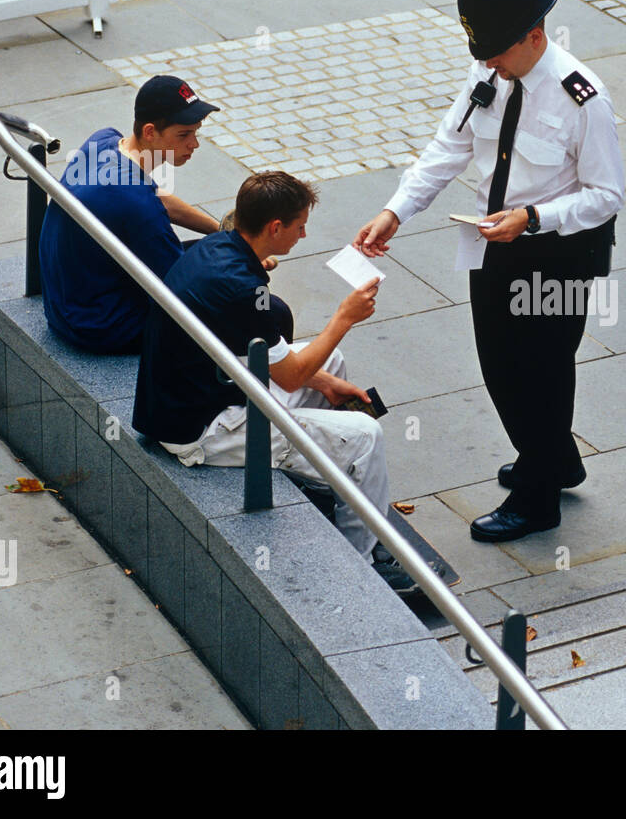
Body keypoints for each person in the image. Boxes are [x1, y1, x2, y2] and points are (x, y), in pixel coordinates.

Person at [354, 0, 625, 544]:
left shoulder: (582, 99)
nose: (487, 65)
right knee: (502, 365)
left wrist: (533, 218)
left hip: (560, 255)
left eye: (498, 52)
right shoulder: (491, 75)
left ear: (535, 36)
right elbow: (445, 150)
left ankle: (538, 498)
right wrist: (394, 210)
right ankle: (554, 458)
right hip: (495, 244)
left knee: (538, 373)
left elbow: (606, 196)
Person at [132, 171, 419, 594]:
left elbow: (253, 352)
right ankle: (361, 562)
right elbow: (290, 374)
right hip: (199, 429)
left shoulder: (217, 246)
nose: (304, 235)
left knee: (330, 366)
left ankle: (312, 468)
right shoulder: (242, 291)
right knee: (366, 436)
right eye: (300, 225)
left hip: (195, 392)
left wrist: (322, 382)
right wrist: (345, 317)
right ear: (275, 227)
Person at [39, 75, 224, 353]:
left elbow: (158, 198)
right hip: (99, 326)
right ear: (150, 132)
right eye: (184, 135)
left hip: (64, 303)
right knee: (249, 301)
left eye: (195, 132)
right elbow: (180, 289)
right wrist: (247, 257)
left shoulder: (104, 141)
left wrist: (222, 232)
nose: (194, 144)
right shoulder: (137, 205)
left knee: (219, 249)